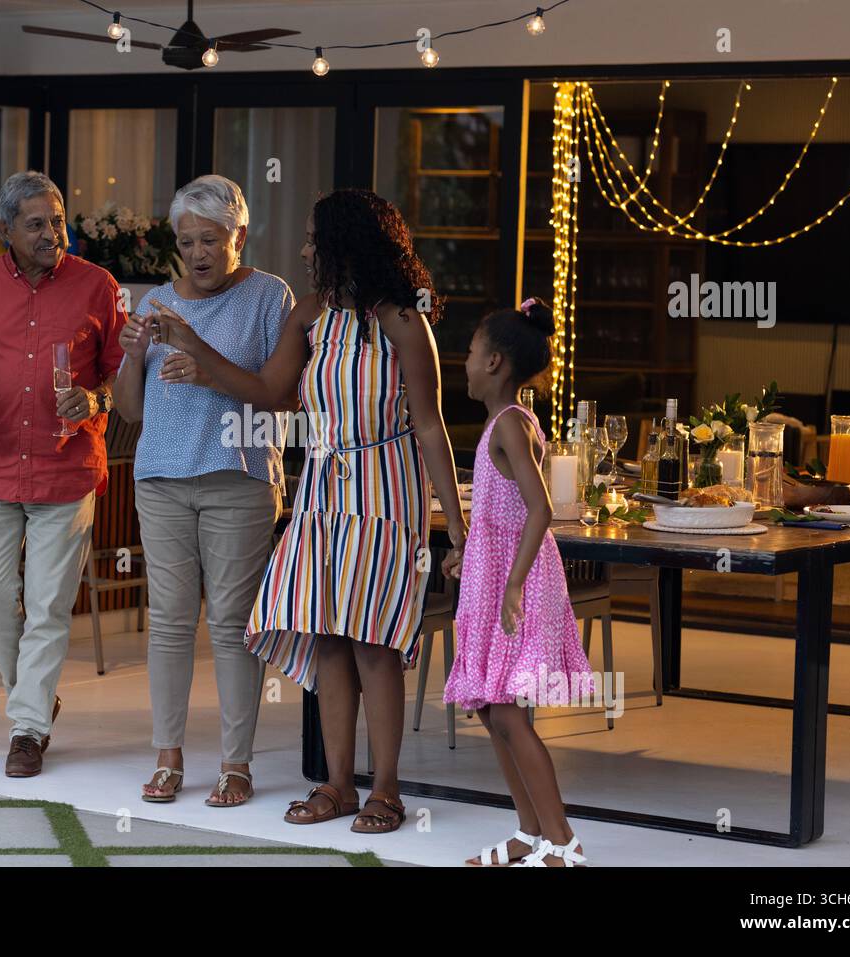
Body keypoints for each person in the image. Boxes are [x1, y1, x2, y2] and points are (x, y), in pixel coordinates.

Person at [152, 189, 467, 833]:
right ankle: (337, 784)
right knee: (326, 634)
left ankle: (385, 789)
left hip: (387, 491)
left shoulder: (404, 320)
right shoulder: (311, 314)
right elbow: (270, 393)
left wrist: (455, 531)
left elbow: (431, 428)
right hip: (323, 491)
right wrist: (197, 350)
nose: (303, 251)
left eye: (313, 240)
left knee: (374, 641)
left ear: (346, 244)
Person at [0, 170, 126, 778]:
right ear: (5, 230)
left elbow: (123, 373)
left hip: (67, 467)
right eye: (37, 224)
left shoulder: (98, 285)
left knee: (47, 604)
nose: (53, 234)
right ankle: (36, 696)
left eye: (59, 220)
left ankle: (27, 729)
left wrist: (97, 399)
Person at [112, 174, 295, 807]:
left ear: (238, 234)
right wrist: (131, 356)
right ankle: (167, 757)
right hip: (160, 479)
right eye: (187, 241)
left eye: (210, 239)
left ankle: (236, 763)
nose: (198, 253)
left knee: (231, 626)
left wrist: (204, 363)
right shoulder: (157, 302)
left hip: (237, 480)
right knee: (167, 624)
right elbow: (130, 412)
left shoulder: (271, 297)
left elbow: (283, 395)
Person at [442, 298, 594, 867]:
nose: (465, 361)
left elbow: (539, 507)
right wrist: (473, 557)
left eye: (473, 352)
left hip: (517, 580)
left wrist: (511, 583)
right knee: (489, 707)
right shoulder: (503, 422)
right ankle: (530, 833)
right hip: (494, 571)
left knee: (507, 710)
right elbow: (500, 510)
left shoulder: (508, 423)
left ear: (497, 363)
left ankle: (564, 842)